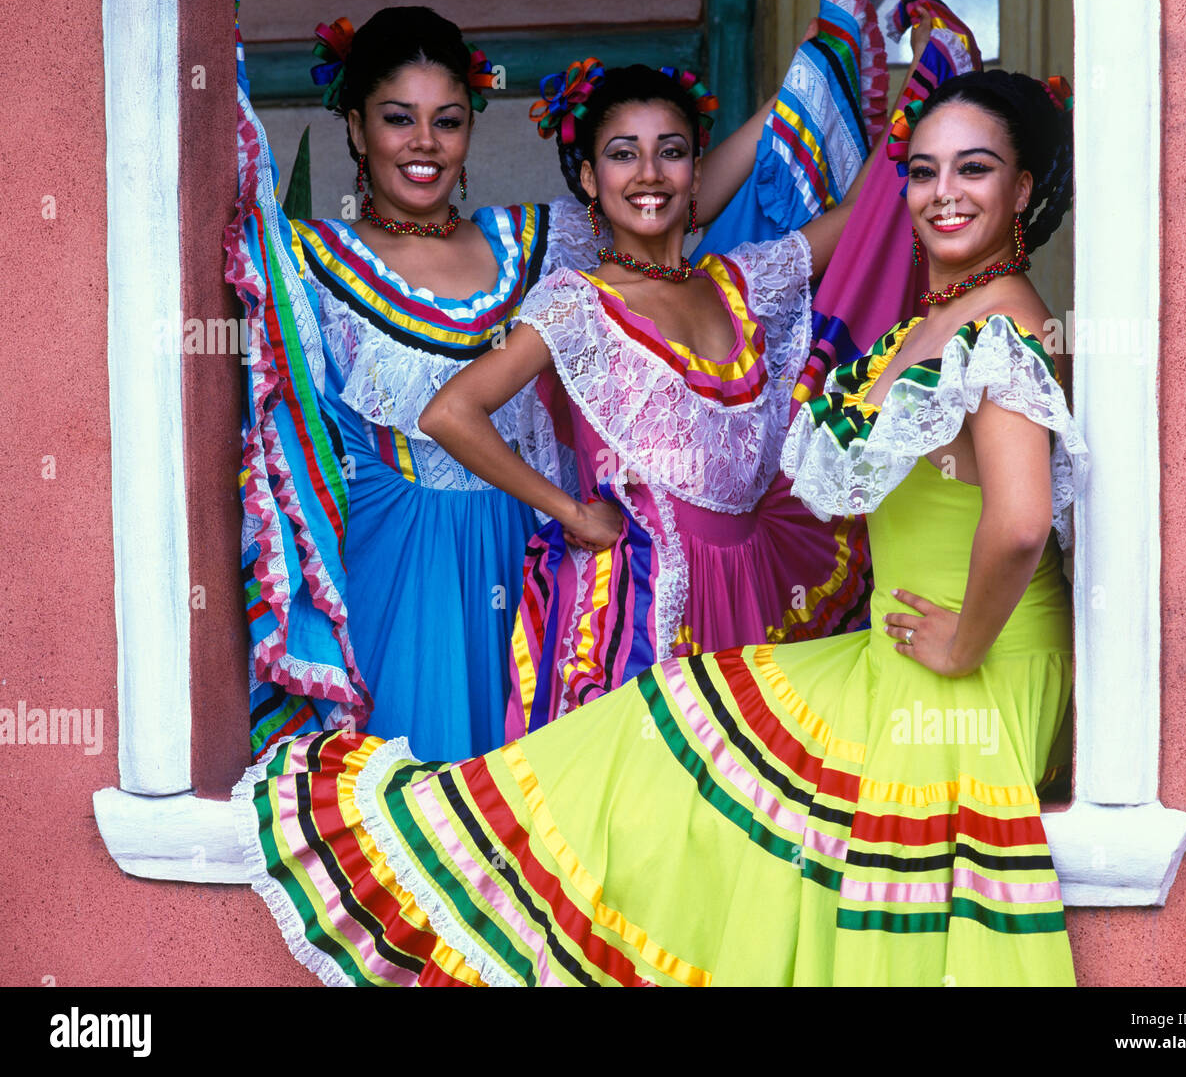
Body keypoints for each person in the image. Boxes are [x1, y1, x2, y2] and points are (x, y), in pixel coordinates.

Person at [231, 53, 1083, 985]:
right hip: (645, 598)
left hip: (932, 647)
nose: (940, 194)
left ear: (1024, 187)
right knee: (644, 800)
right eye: (924, 171)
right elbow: (451, 409)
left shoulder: (805, 295)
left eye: (973, 168)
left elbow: (1018, 522)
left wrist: (872, 108)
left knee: (699, 819)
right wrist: (571, 512)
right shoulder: (585, 299)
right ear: (588, 180)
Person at [232, 5, 805, 762]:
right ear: (355, 127)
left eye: (449, 120)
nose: (424, 144)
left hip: (532, 546)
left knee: (528, 791)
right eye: (399, 119)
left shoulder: (531, 242)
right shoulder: (307, 260)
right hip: (400, 561)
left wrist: (795, 93)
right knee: (424, 783)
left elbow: (678, 203)